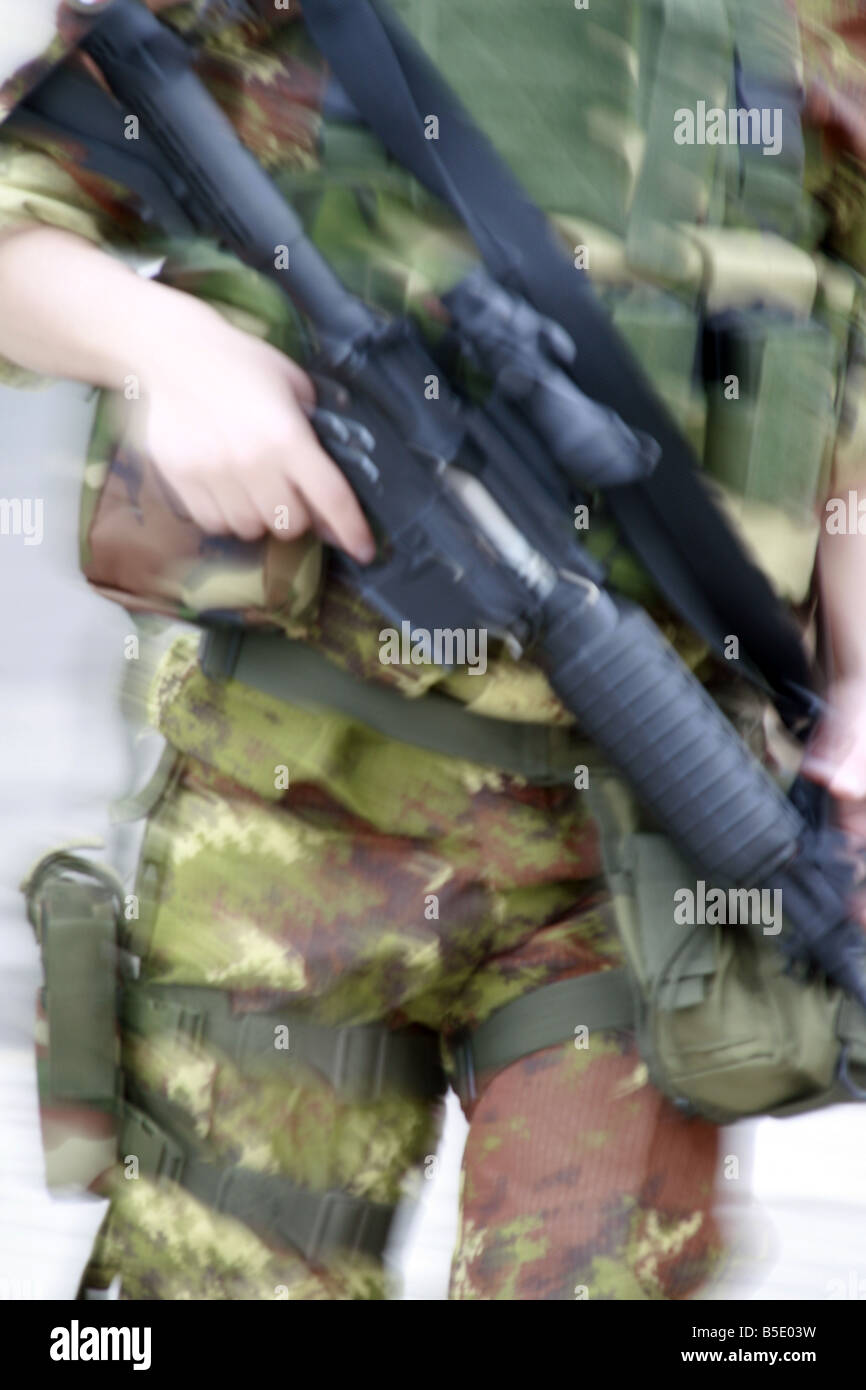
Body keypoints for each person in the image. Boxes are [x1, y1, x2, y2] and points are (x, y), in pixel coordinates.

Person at [0, 0, 865, 1301]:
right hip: (289, 818)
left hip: (646, 859)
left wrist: (856, 684)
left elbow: (841, 358)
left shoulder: (804, 31)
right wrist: (167, 348)